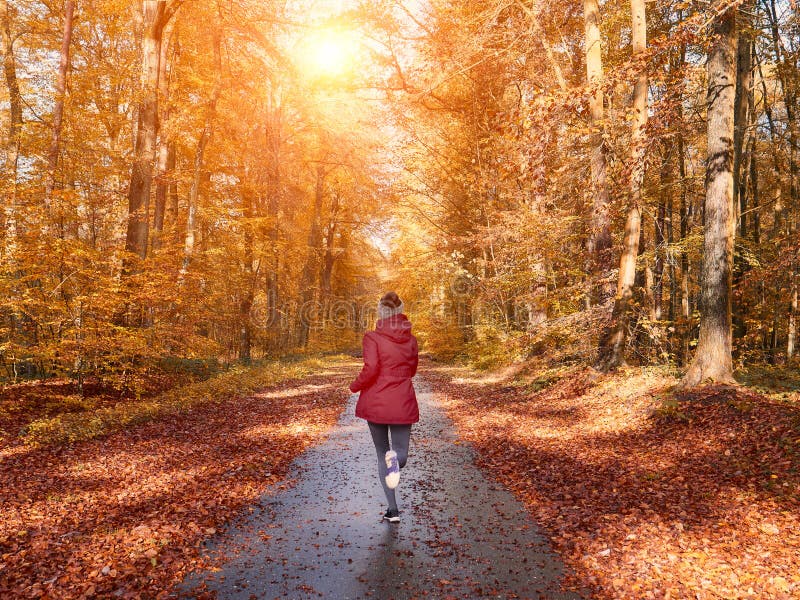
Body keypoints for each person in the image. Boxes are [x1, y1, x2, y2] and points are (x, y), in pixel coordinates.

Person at [349, 291, 419, 523]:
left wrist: (355, 386)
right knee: (400, 454)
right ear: (400, 311)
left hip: (376, 400)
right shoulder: (411, 340)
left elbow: (370, 369)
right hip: (402, 400)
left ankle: (393, 508)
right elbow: (412, 370)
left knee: (383, 454)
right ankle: (392, 510)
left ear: (381, 311)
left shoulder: (372, 337)